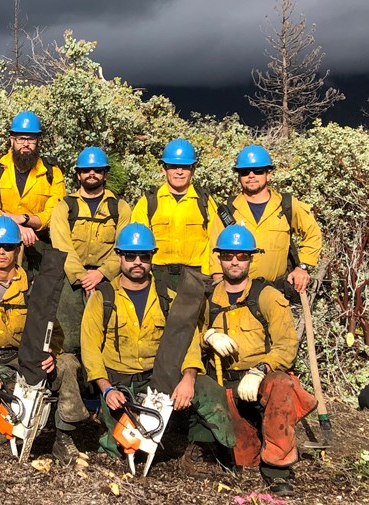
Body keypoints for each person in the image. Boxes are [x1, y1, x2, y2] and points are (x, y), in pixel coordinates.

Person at [81, 223, 234, 461]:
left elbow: (189, 340)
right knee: (121, 449)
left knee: (208, 390)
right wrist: (106, 389)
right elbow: (90, 350)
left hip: (159, 379)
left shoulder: (168, 298)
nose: (137, 262)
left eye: (144, 255)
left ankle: (213, 450)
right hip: (120, 385)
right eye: (130, 255)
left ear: (152, 256)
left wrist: (188, 378)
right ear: (120, 257)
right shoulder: (102, 298)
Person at [203, 225, 317, 496]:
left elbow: (287, 345)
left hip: (260, 379)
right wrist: (206, 336)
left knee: (281, 384)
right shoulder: (207, 298)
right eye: (228, 255)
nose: (234, 261)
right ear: (219, 258)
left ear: (251, 258)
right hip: (226, 384)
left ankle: (278, 469)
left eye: (242, 256)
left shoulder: (267, 296)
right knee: (243, 458)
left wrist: (260, 369)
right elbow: (187, 337)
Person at [0, 216, 85, 454]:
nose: (2, 252)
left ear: (18, 249)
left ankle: (64, 438)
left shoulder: (34, 287)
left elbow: (54, 331)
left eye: (9, 246)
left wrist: (51, 353)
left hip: (26, 359)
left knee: (67, 364)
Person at [208, 145, 322, 298]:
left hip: (276, 293)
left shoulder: (287, 205)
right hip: (237, 292)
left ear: (269, 174)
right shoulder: (228, 209)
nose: (251, 175)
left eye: (258, 171)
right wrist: (220, 283)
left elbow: (313, 233)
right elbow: (214, 248)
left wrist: (302, 267)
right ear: (239, 176)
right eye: (245, 172)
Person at [49, 146, 131, 354]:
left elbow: (124, 248)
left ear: (105, 174)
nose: (91, 174)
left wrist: (101, 273)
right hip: (72, 278)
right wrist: (83, 277)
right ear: (78, 175)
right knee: (69, 341)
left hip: (108, 277)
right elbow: (62, 245)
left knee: (111, 335)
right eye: (86, 170)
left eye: (97, 170)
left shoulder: (120, 207)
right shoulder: (64, 207)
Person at [0, 111, 66, 274]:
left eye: (31, 139)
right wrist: (18, 228)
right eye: (21, 138)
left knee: (44, 294)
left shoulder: (52, 173)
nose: (26, 144)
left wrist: (25, 219)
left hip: (37, 244)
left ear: (38, 141)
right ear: (12, 140)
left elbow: (53, 214)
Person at [130, 139, 223, 293]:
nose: (179, 172)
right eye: (173, 166)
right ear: (164, 169)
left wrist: (213, 273)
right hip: (157, 276)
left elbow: (216, 240)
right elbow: (137, 244)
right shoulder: (149, 201)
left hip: (197, 276)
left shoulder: (205, 201)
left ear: (193, 170)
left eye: (185, 167)